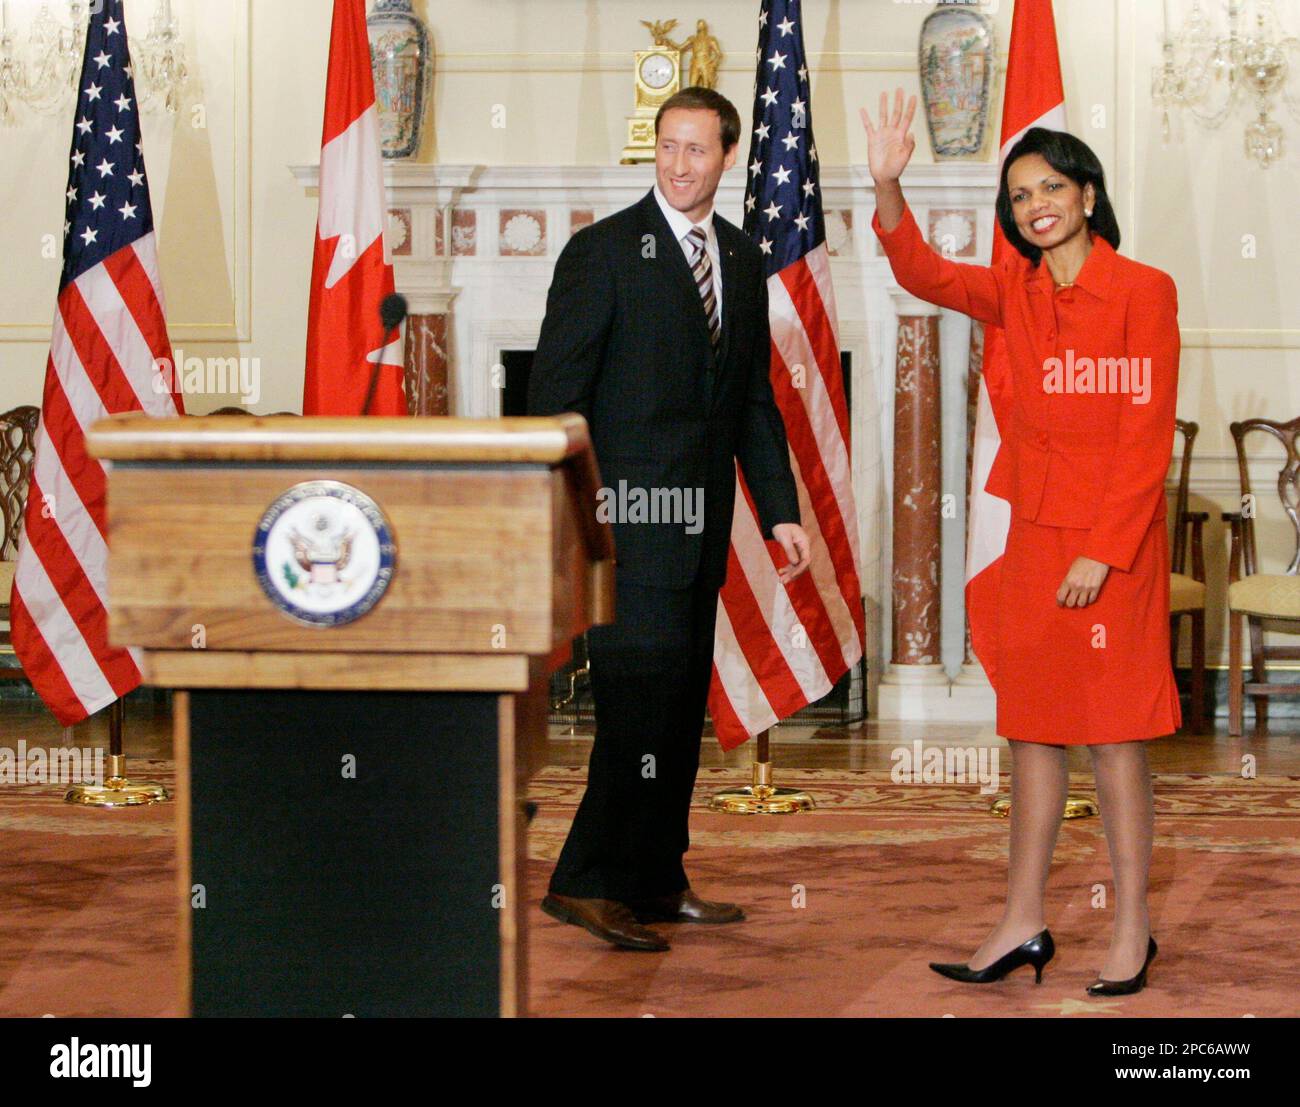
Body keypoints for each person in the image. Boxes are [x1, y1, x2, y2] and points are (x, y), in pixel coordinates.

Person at [863, 90, 1180, 995]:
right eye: (1018, 196)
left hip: (1110, 546)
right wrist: (889, 183)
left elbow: (1145, 433)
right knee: (1032, 733)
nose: (1034, 205)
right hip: (1035, 538)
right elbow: (921, 271)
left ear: (1086, 194)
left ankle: (1132, 927)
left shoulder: (1143, 291)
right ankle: (1021, 919)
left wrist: (1103, 550)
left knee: (1115, 738)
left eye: (1049, 188)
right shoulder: (1014, 290)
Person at [528, 87, 812, 952]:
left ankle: (655, 877)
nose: (680, 164)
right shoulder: (601, 253)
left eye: (697, 149)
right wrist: (577, 528)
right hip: (625, 534)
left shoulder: (739, 253)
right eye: (668, 147)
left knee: (677, 713)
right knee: (635, 716)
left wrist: (781, 514)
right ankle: (584, 881)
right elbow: (555, 405)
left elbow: (751, 400)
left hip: (703, 534)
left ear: (727, 157)